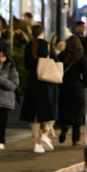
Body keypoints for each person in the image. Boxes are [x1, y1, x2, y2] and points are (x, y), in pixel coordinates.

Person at [20, 24, 59, 153]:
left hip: (32, 83)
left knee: (35, 115)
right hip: (46, 83)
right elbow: (56, 60)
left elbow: (26, 65)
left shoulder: (29, 47)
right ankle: (45, 135)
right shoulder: (47, 46)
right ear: (42, 33)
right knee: (50, 111)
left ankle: (36, 144)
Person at [57, 35, 87, 145]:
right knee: (77, 112)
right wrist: (84, 84)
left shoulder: (62, 55)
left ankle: (64, 127)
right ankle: (75, 139)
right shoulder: (81, 57)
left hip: (64, 86)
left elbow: (57, 69)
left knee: (64, 109)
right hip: (77, 87)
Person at [0, 46, 20, 148]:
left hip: (5, 99)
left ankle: (0, 141)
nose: (1, 59)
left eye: (3, 56)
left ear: (7, 57)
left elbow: (14, 85)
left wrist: (0, 79)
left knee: (1, 121)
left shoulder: (11, 68)